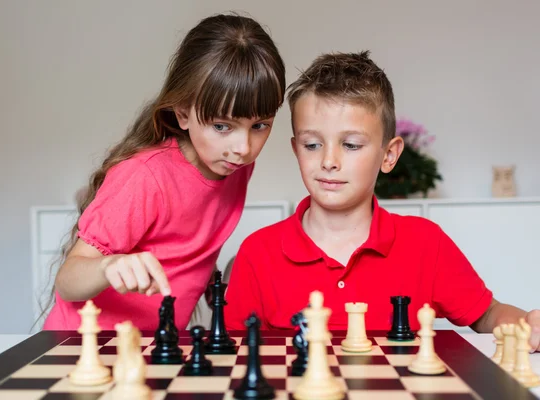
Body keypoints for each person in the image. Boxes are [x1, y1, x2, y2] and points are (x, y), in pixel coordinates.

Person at [224, 51, 540, 351]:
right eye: (312, 144)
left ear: (388, 155)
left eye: (350, 145)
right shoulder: (258, 253)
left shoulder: (426, 244)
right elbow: (233, 352)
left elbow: (486, 314)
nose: (329, 161)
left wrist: (527, 324)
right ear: (296, 150)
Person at [40, 13, 286, 331]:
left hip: (155, 350)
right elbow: (67, 281)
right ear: (183, 113)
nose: (243, 147)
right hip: (84, 346)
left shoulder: (234, 166)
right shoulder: (144, 178)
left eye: (260, 125)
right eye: (222, 125)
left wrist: (217, 283)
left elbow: (182, 246)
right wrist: (110, 264)